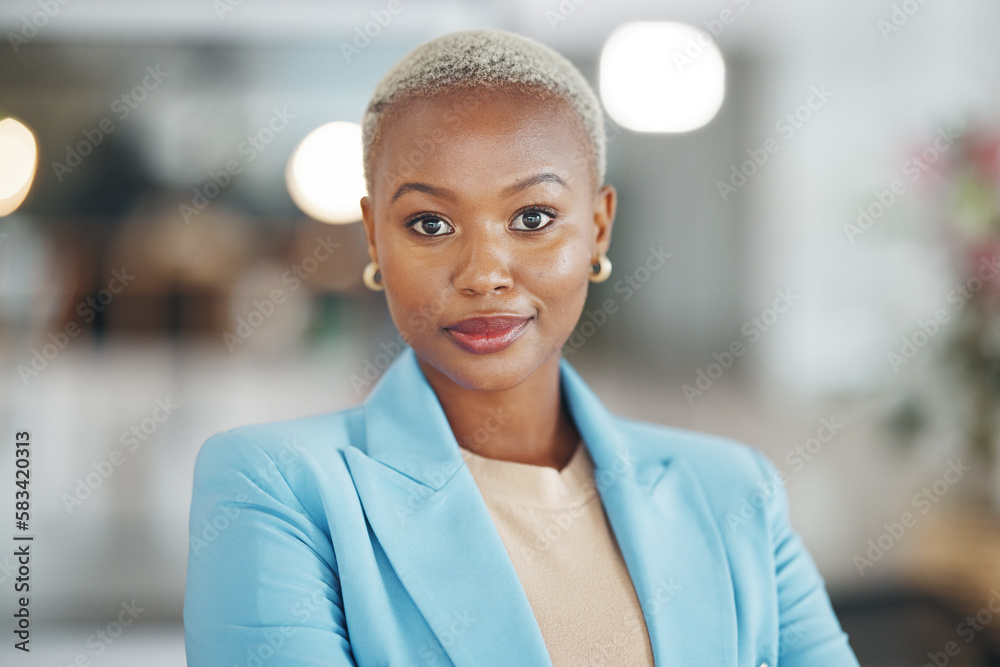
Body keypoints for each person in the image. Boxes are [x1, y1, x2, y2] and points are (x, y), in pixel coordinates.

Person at [183, 27, 861, 666]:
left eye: (532, 218)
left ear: (597, 229)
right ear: (373, 239)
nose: (483, 272)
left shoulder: (733, 491)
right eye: (429, 222)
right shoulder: (278, 487)